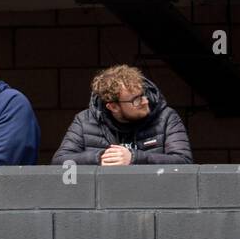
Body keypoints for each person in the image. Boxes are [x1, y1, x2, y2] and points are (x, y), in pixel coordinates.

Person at [51, 64, 192, 165]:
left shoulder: (166, 117)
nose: (144, 101)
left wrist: (134, 158)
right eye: (136, 100)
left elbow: (183, 161)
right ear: (113, 106)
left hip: (152, 197)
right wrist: (100, 158)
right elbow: (60, 161)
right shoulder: (84, 121)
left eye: (143, 94)